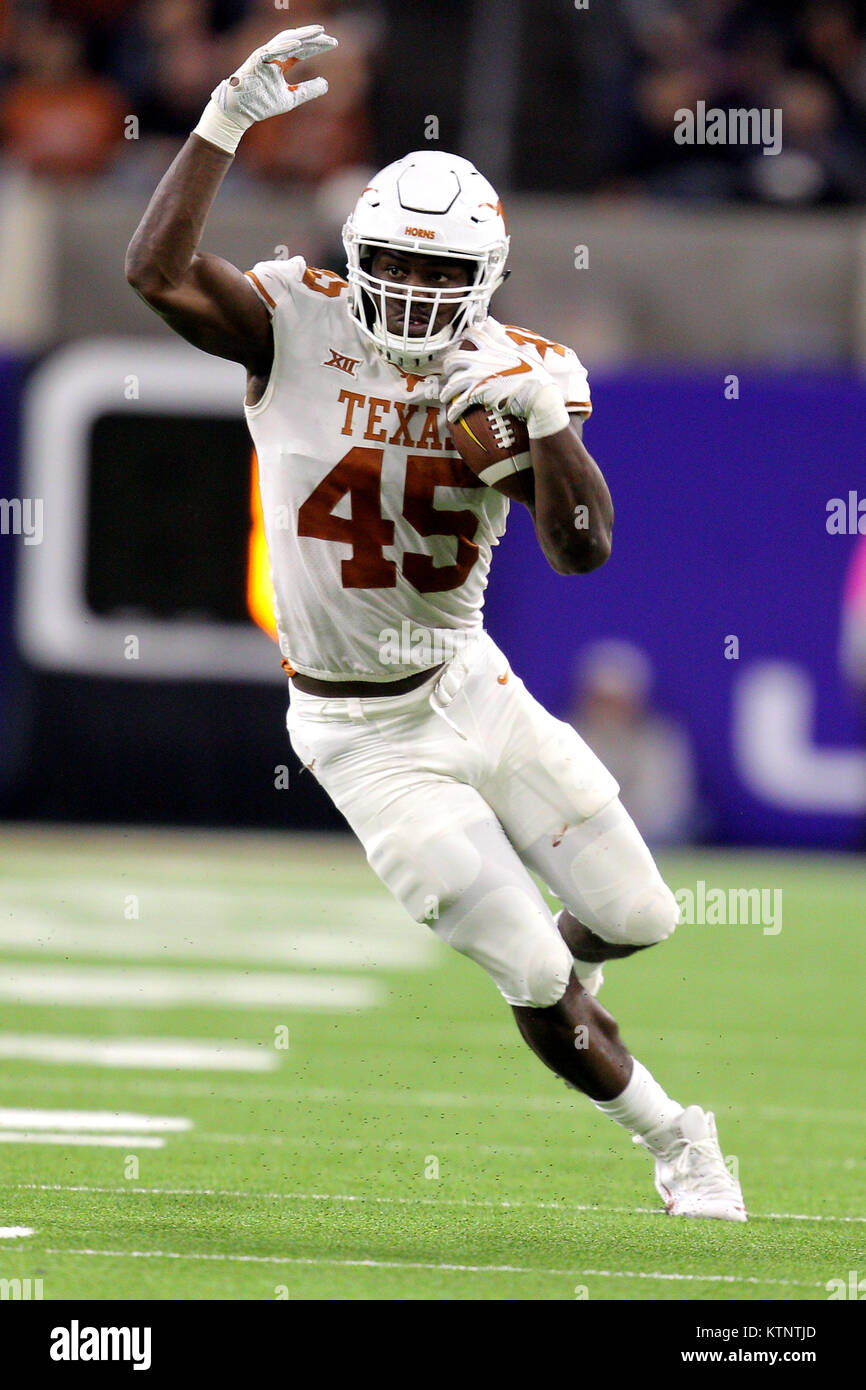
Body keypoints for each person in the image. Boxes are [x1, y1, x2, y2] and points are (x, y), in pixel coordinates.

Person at [126, 24, 746, 1221]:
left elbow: (582, 551)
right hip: (361, 731)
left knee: (637, 916)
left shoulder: (513, 367)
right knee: (525, 959)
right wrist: (219, 123)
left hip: (471, 684)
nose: (410, 294)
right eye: (393, 267)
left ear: (484, 281)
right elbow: (155, 273)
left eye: (436, 276)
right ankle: (676, 1139)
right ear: (352, 257)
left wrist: (542, 427)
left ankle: (561, 992)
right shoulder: (292, 322)